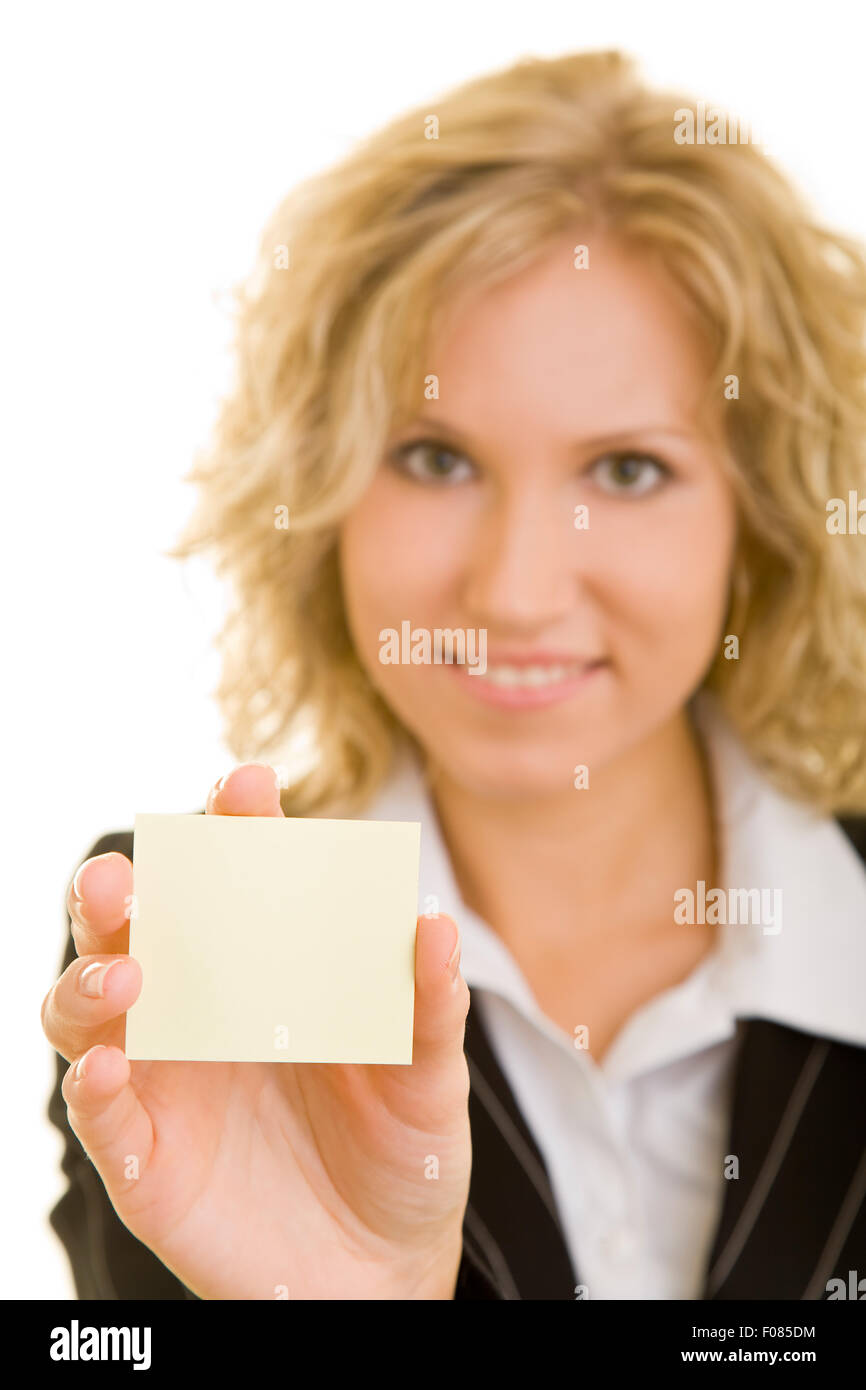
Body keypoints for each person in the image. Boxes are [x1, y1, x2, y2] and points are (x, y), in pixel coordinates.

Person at [43, 49, 866, 1301]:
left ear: (758, 516)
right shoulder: (201, 940)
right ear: (321, 495)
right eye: (433, 457)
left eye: (626, 471)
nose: (516, 590)